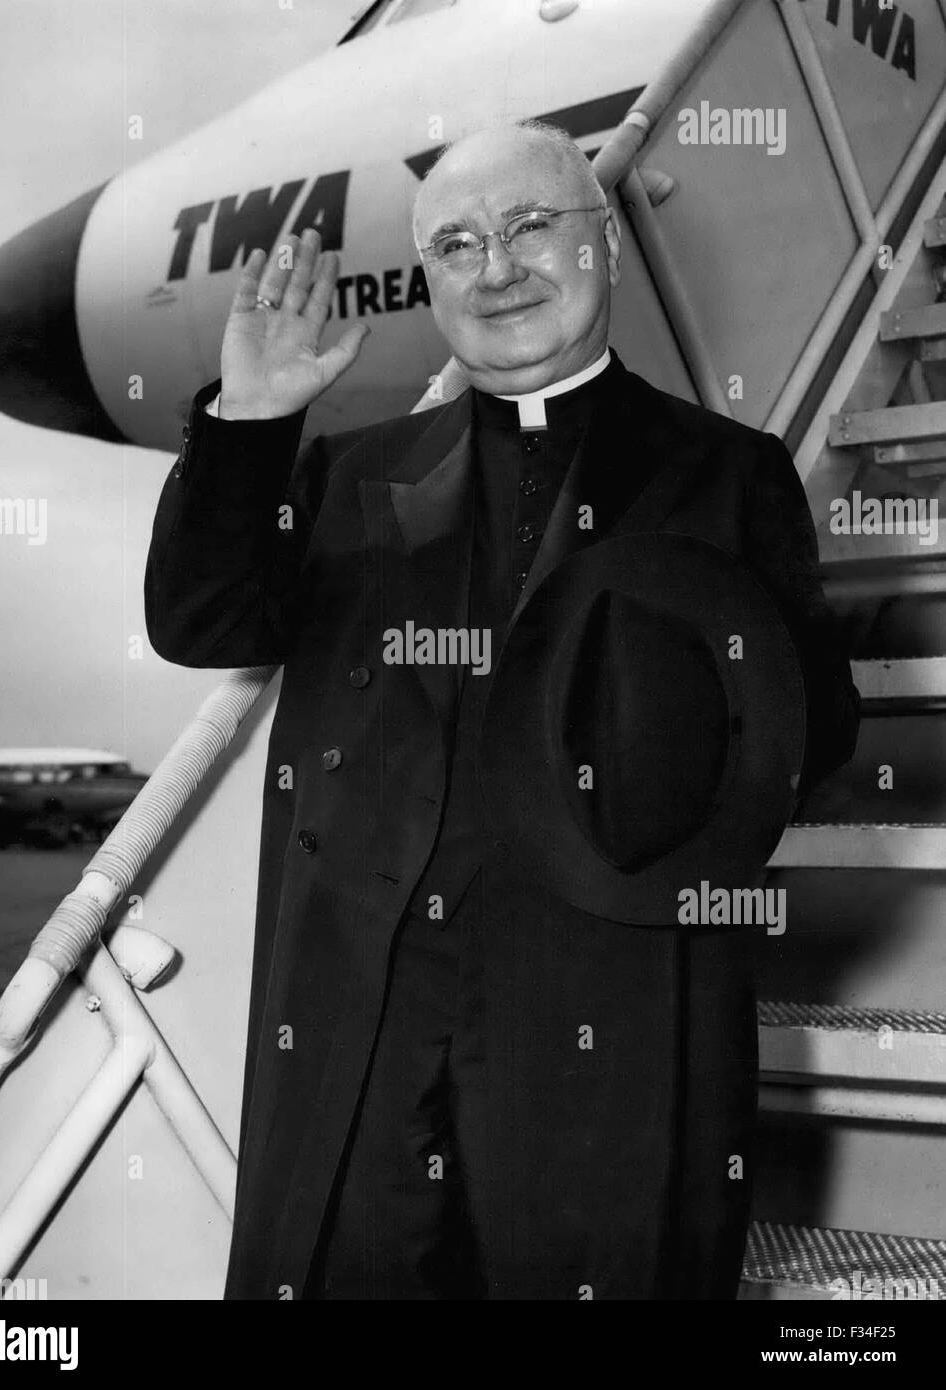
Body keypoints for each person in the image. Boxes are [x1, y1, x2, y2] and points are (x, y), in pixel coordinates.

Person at [145, 120, 860, 1300]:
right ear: (429, 279)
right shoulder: (341, 473)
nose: (497, 267)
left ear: (606, 245)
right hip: (365, 1023)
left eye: (531, 226)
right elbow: (199, 622)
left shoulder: (727, 474)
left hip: (607, 1024)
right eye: (458, 245)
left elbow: (808, 733)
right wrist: (251, 422)